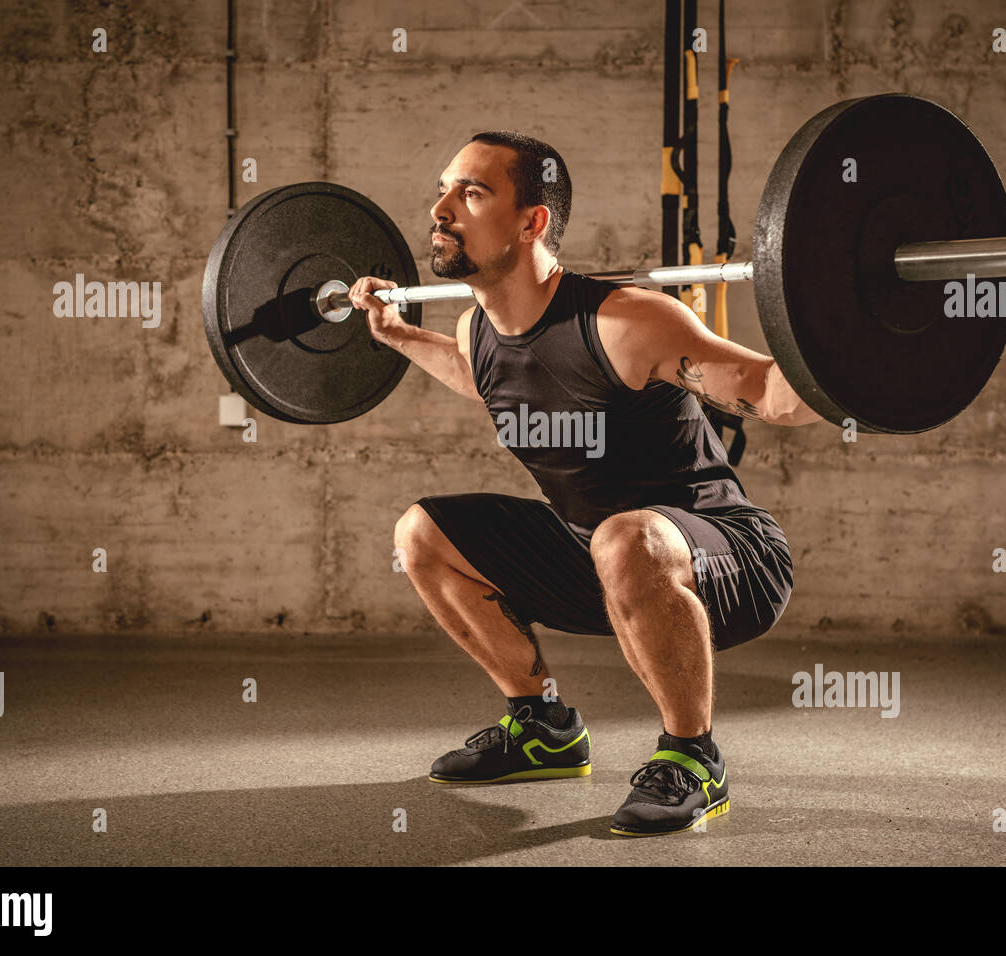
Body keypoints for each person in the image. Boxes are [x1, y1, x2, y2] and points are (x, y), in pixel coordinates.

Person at [347, 130, 822, 837]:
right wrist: (399, 336)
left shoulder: (625, 320)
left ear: (532, 222)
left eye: (472, 193)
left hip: (727, 558)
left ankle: (694, 759)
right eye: (444, 189)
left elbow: (772, 394)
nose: (441, 208)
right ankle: (543, 726)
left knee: (625, 534)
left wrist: (846, 335)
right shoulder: (481, 329)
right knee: (423, 534)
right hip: (598, 556)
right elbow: (491, 383)